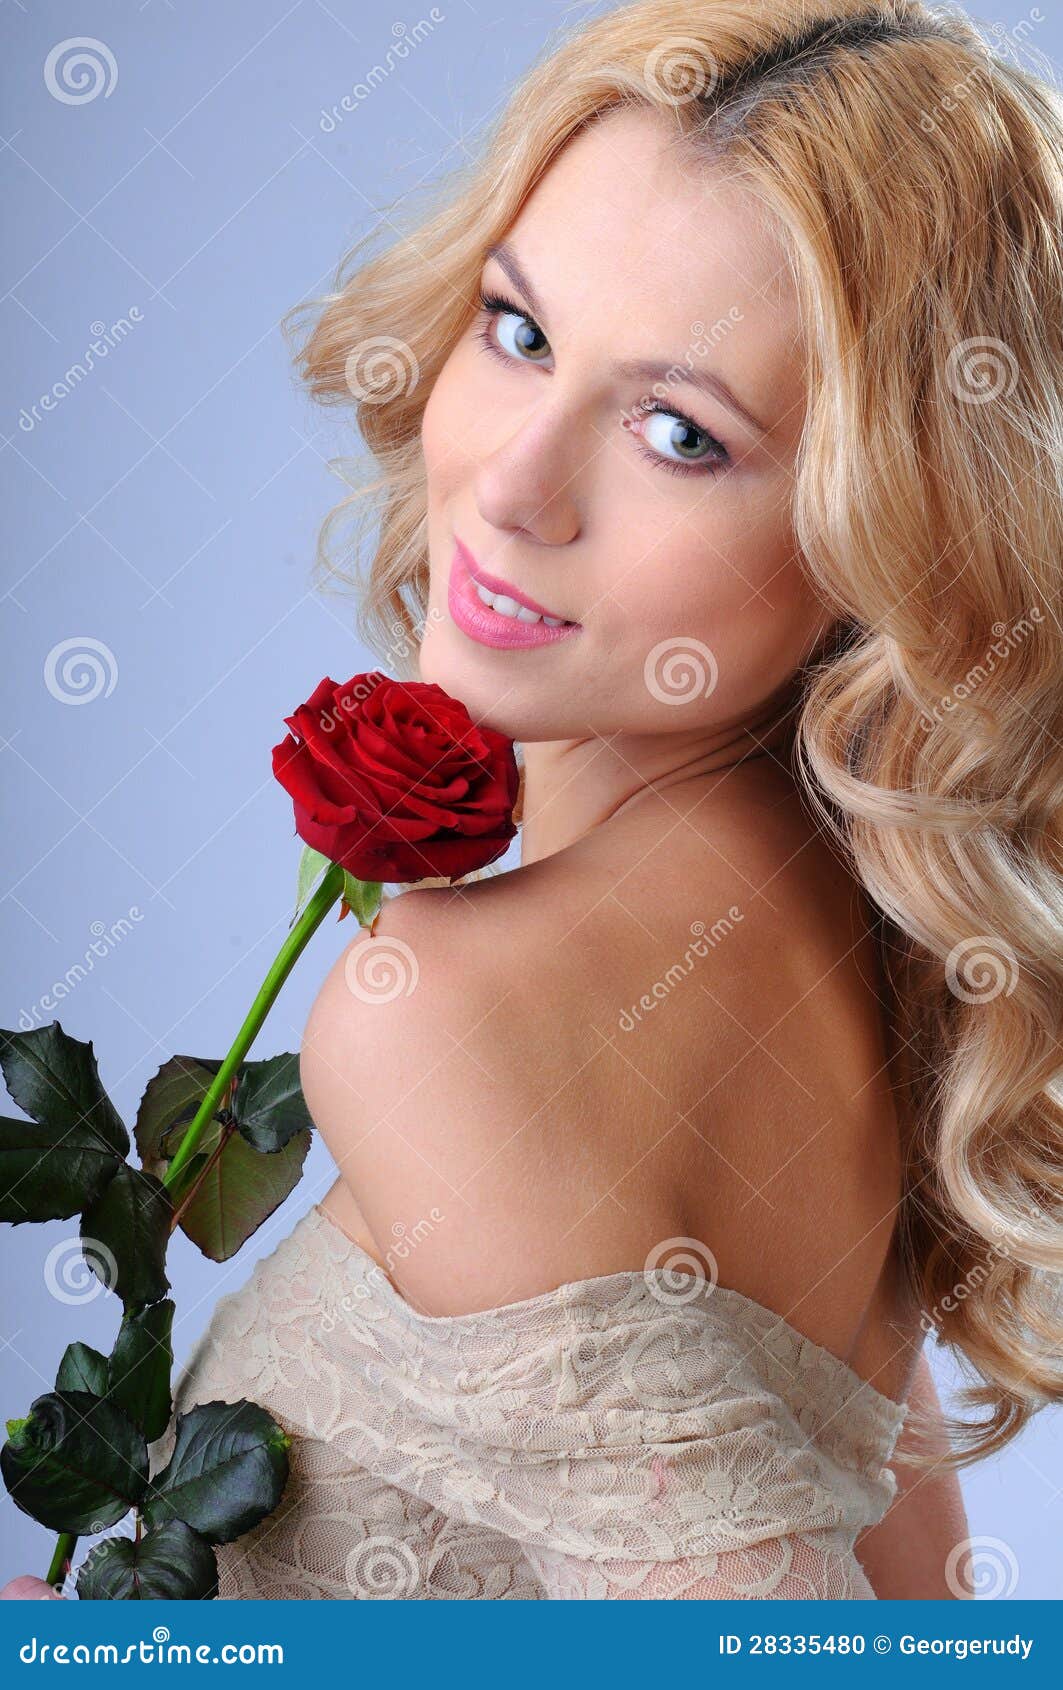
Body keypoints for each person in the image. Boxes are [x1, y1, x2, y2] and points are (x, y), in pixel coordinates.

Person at [7, 0, 1061, 1600]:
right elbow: (918, 1604)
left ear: (886, 529)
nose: (511, 483)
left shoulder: (449, 1011)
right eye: (519, 330)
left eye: (677, 430)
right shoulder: (866, 947)